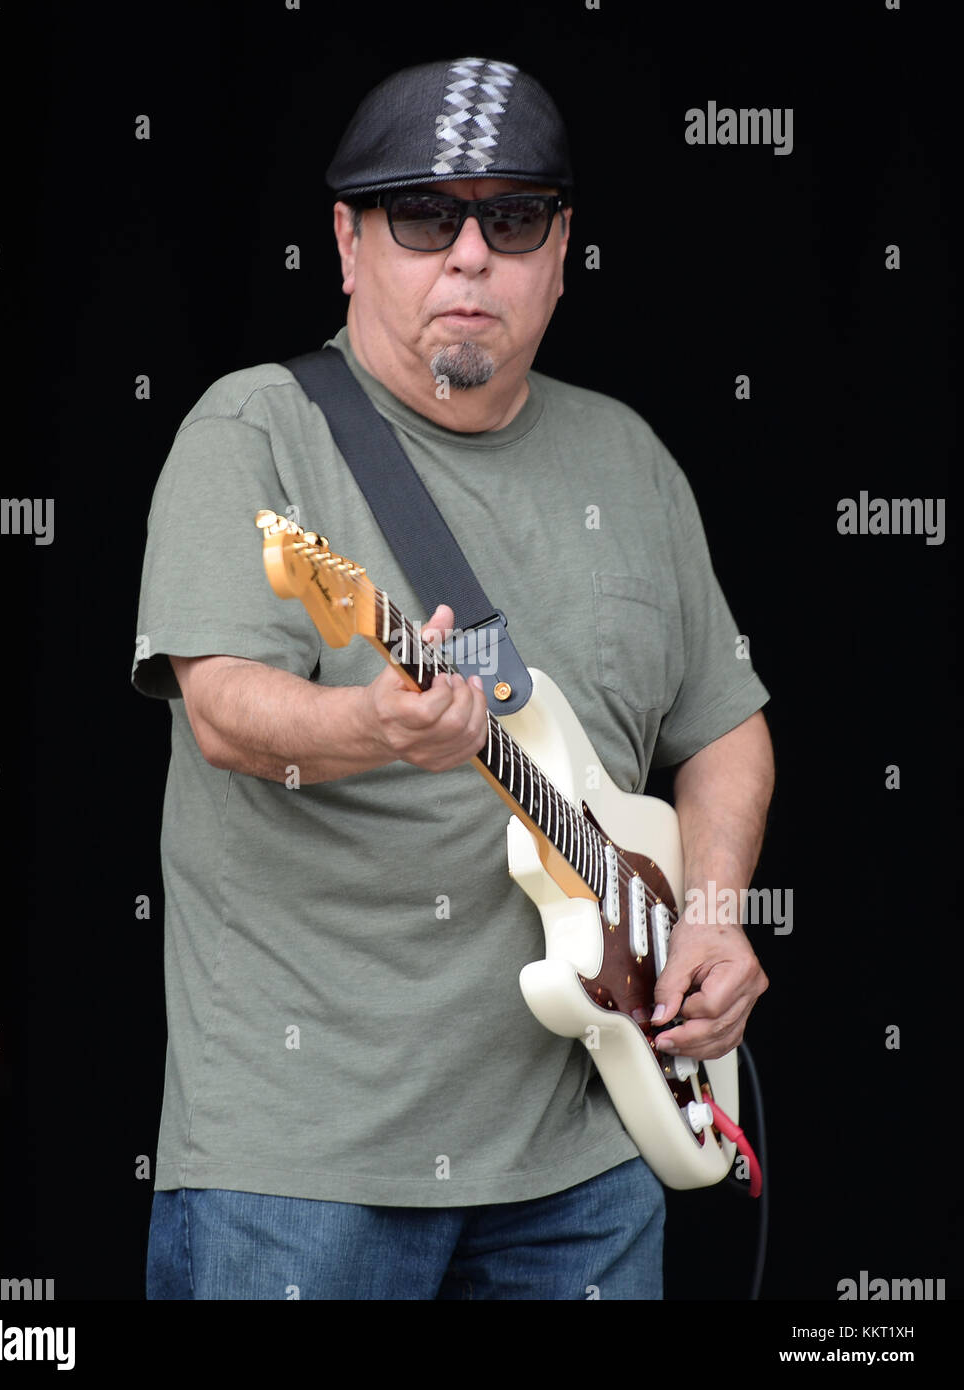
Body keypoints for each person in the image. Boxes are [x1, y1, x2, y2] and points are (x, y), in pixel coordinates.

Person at [133, 55, 774, 1300]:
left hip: (592, 1159)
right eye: (423, 215)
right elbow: (219, 710)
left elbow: (725, 730)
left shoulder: (629, 461)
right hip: (304, 1171)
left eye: (512, 216)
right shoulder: (250, 431)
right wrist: (376, 724)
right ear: (347, 240)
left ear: (560, 244)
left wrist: (709, 910)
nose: (469, 254)